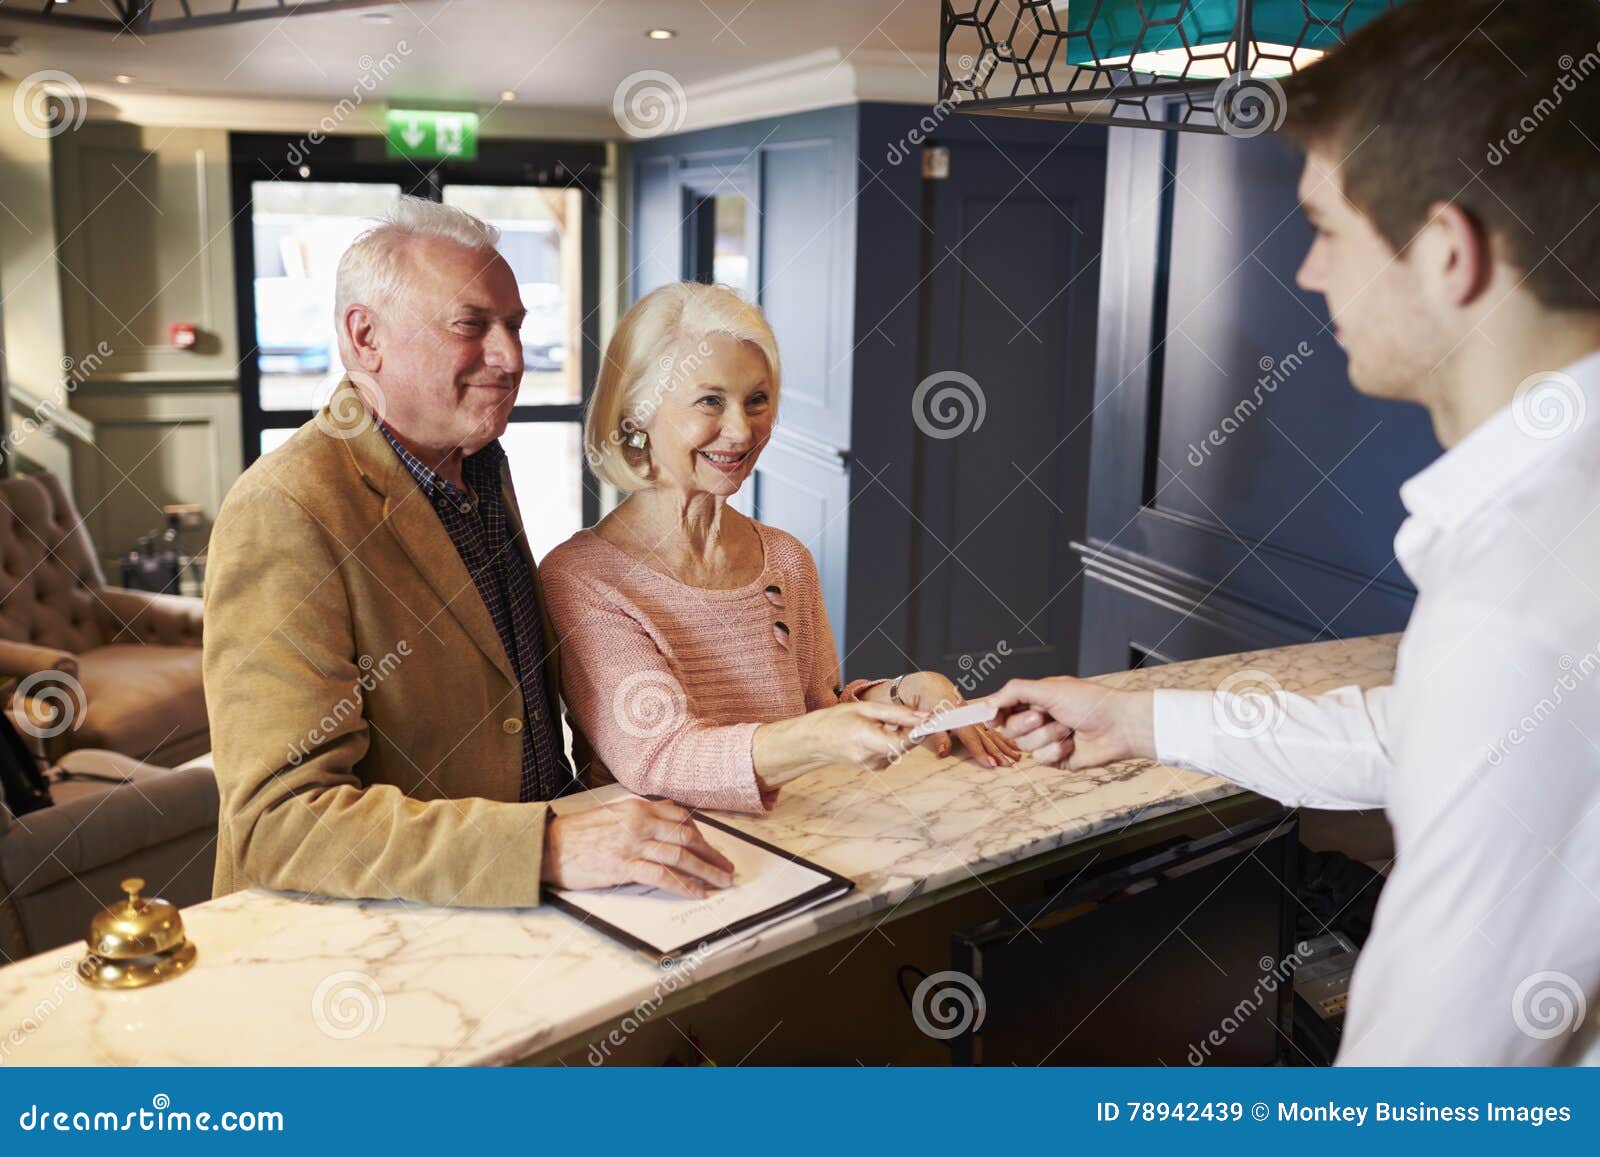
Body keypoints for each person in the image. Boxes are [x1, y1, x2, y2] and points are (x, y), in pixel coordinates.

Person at [987, 0, 1600, 1065]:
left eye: (1322, 229)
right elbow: (1411, 732)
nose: (1309, 274)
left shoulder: (1513, 608)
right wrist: (1139, 722)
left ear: (1445, 254)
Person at [204, 196, 734, 906]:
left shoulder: (479, 461)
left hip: (530, 905)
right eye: (471, 325)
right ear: (366, 338)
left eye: (514, 325)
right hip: (379, 944)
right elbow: (279, 823)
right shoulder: (283, 508)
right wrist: (544, 847)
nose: (511, 357)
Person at [541, 282, 1020, 814]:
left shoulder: (785, 557)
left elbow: (821, 708)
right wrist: (817, 737)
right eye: (710, 401)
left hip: (796, 837)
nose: (740, 431)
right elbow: (659, 756)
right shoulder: (582, 578)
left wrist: (906, 691)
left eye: (757, 400)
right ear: (636, 412)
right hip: (659, 864)